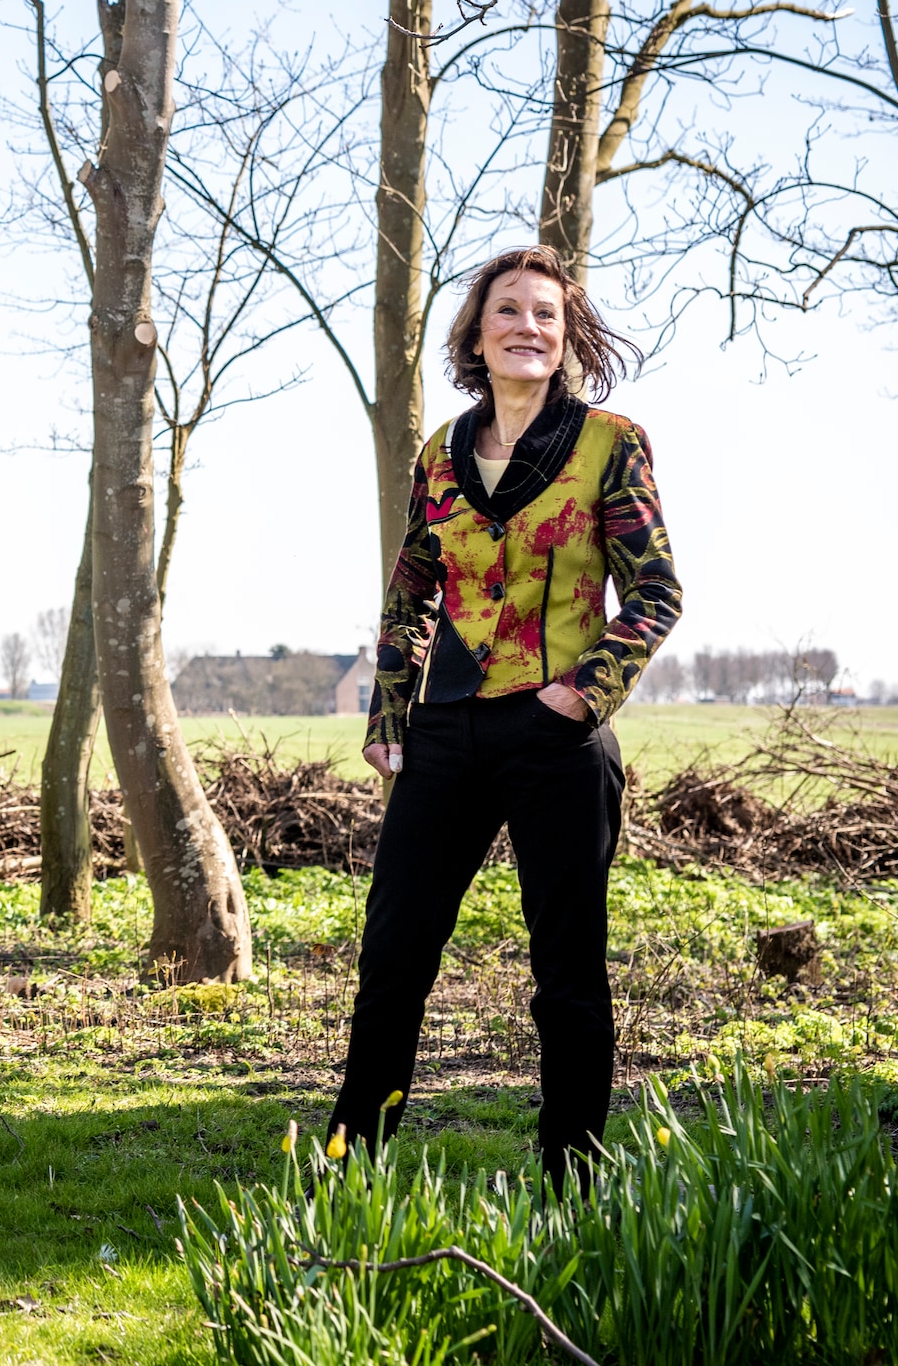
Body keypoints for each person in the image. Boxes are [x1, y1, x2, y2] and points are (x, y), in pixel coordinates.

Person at [329, 243, 680, 1184]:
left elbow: (655, 593)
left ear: (566, 338)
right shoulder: (439, 454)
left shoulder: (612, 442)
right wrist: (387, 714)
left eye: (546, 315)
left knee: (567, 976)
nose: (528, 327)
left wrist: (582, 693)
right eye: (508, 312)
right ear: (476, 336)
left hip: (559, 735)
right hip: (445, 731)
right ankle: (347, 1169)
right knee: (393, 958)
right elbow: (410, 592)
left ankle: (572, 1184)